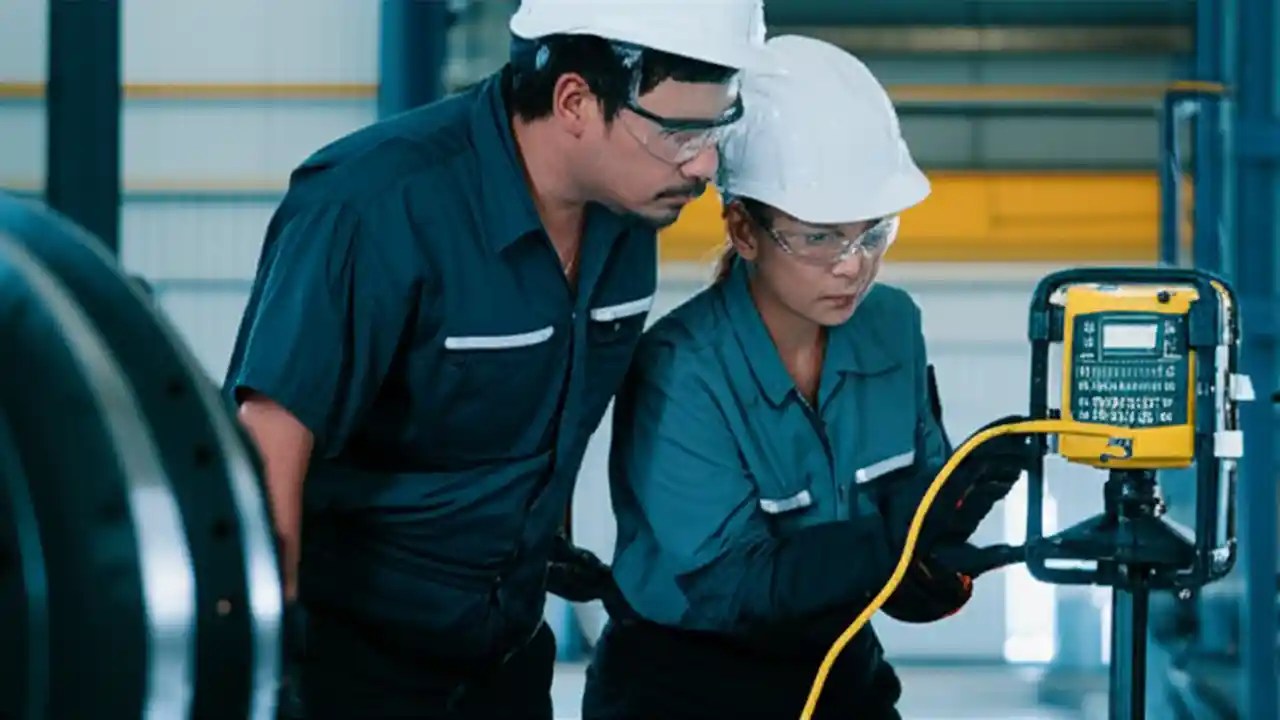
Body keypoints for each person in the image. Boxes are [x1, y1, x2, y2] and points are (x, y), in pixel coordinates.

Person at [222, 1, 777, 717]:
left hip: (505, 661)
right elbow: (271, 442)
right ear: (575, 99)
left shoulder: (629, 209)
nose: (702, 164)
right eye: (679, 134)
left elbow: (552, 402)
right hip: (352, 671)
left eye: (713, 132)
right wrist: (266, 661)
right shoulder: (373, 207)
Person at [581, 35, 1036, 720]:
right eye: (819, 237)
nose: (851, 265)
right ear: (743, 229)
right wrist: (895, 540)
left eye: (871, 233)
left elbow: (911, 565)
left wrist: (946, 539)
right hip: (683, 683)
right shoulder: (680, 370)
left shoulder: (891, 328)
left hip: (838, 660)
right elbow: (731, 584)